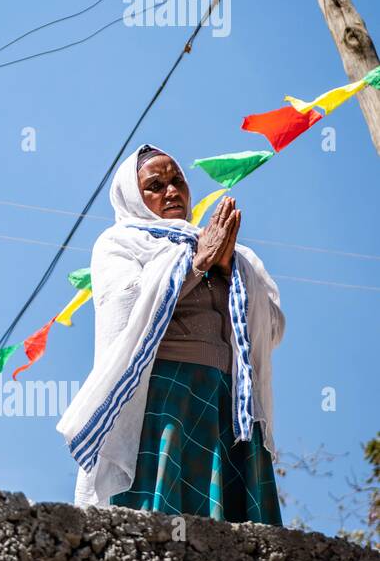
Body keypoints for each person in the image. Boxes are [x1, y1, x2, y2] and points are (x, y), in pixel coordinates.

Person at [57, 144, 285, 524]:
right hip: (163, 395)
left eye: (177, 180)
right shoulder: (119, 243)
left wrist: (230, 271)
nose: (172, 191)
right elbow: (126, 308)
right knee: (159, 522)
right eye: (155, 185)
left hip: (230, 402)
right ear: (133, 196)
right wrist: (196, 264)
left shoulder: (233, 252)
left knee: (235, 530)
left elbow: (272, 327)